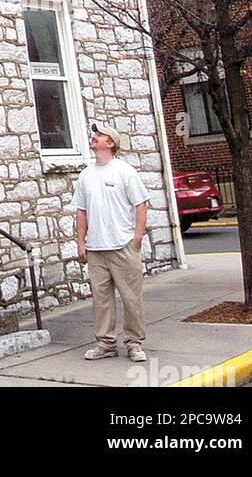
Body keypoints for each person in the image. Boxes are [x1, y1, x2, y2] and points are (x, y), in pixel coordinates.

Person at [73, 121, 149, 362]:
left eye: (99, 135)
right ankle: (105, 343)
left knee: (131, 298)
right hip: (96, 249)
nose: (94, 137)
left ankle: (134, 343)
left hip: (122, 246)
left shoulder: (125, 172)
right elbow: (81, 211)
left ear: (111, 143)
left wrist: (136, 237)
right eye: (94, 134)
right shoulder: (86, 175)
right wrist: (81, 242)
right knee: (101, 299)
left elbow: (141, 204)